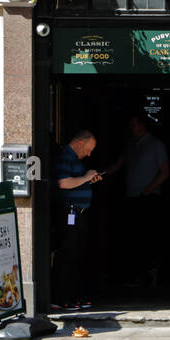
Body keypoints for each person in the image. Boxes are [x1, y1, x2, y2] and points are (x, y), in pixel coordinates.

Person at [104, 113, 170, 286]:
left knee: (148, 237)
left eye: (134, 124)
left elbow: (165, 171)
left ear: (142, 125)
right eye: (130, 125)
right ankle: (138, 276)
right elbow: (118, 165)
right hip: (131, 197)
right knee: (133, 238)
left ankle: (152, 273)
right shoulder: (130, 145)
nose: (132, 128)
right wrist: (100, 174)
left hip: (148, 198)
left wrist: (149, 189)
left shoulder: (156, 144)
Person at [52, 129, 102, 312]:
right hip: (68, 213)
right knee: (67, 255)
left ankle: (72, 296)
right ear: (80, 143)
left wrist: (87, 178)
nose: (88, 154)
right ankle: (61, 298)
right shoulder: (65, 155)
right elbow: (63, 183)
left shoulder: (74, 159)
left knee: (76, 256)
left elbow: (75, 180)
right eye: (88, 149)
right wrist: (86, 177)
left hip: (79, 213)